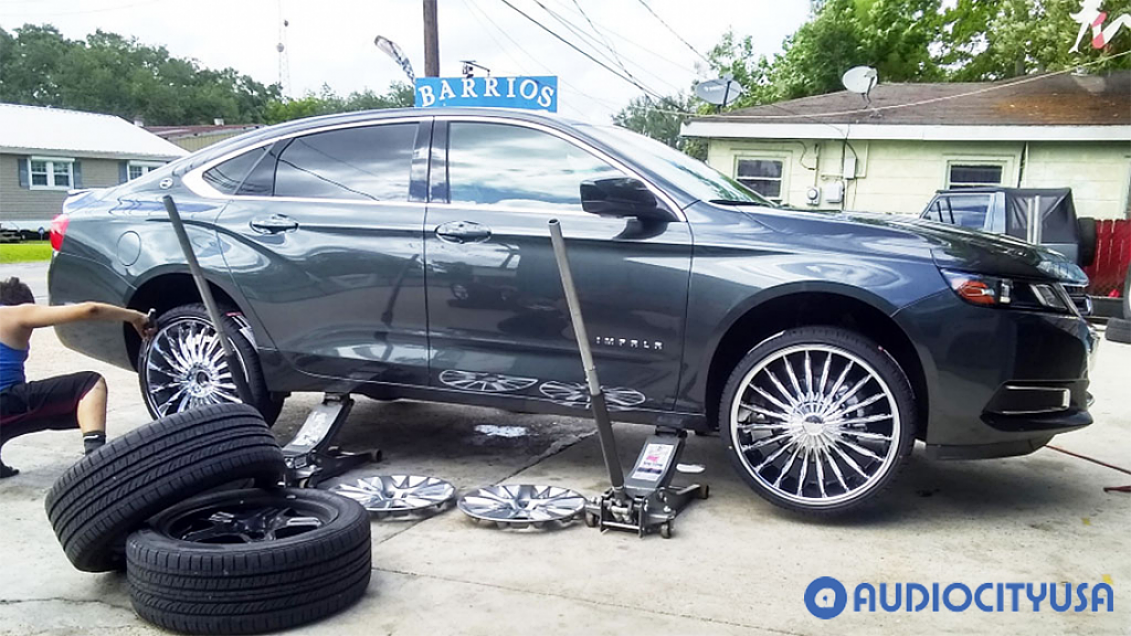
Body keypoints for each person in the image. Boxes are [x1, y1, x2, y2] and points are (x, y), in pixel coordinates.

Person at [0, 277, 153, 478]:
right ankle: (96, 458)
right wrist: (135, 316)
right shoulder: (15, 313)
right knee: (88, 385)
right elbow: (90, 310)